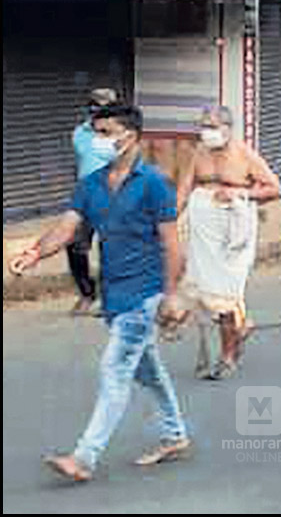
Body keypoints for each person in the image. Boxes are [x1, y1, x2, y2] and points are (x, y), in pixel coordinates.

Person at [10, 105, 191, 483]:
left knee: (115, 370)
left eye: (106, 131)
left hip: (144, 294)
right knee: (148, 370)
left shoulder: (154, 183)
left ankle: (84, 457)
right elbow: (67, 228)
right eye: (96, 132)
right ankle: (175, 434)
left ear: (132, 135)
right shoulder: (91, 185)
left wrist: (172, 294)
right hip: (114, 294)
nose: (99, 140)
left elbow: (172, 244)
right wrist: (34, 252)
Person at [175, 106, 281, 380]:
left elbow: (274, 188)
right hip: (202, 229)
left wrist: (239, 192)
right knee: (206, 294)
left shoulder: (244, 154)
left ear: (227, 128)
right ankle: (236, 334)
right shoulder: (198, 152)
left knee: (226, 295)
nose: (206, 132)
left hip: (234, 231)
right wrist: (168, 219)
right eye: (203, 126)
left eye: (211, 126)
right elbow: (184, 189)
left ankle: (227, 356)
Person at [68, 88, 119, 316]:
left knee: (109, 248)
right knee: (75, 245)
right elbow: (81, 162)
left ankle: (110, 300)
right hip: (86, 196)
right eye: (95, 106)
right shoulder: (80, 133)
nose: (98, 111)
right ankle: (87, 294)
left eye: (104, 107)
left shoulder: (122, 135)